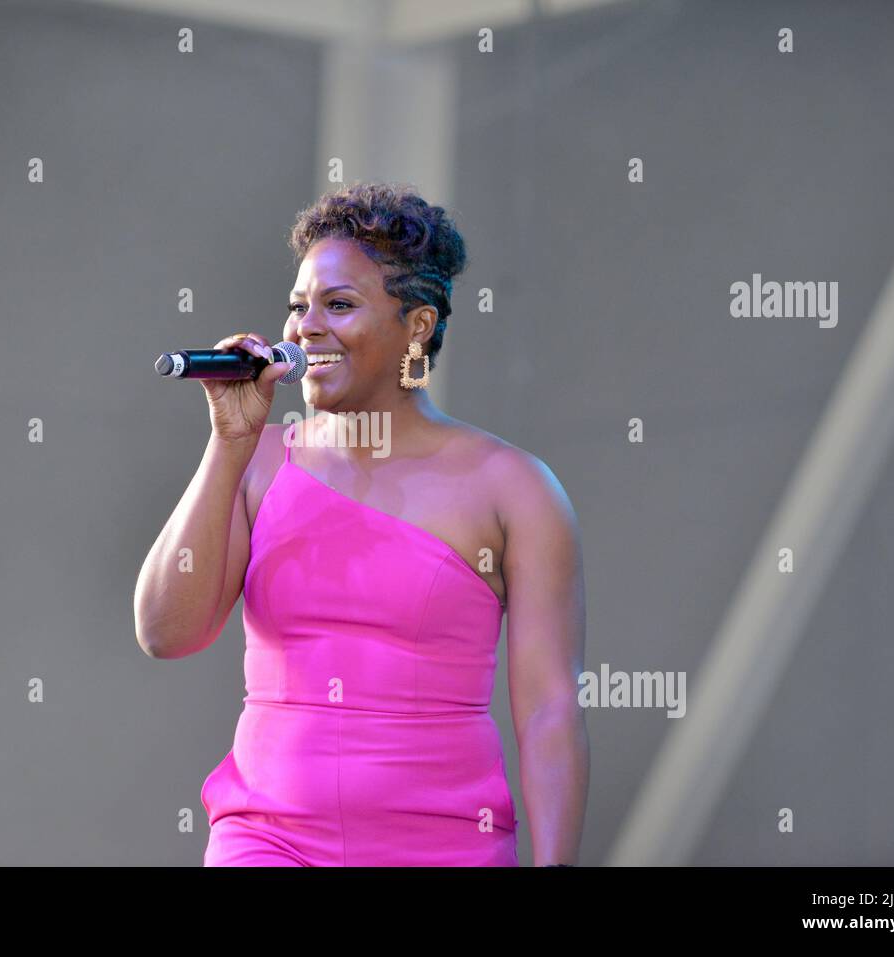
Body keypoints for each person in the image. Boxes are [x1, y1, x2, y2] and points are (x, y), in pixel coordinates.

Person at [134, 182, 587, 866]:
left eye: (338, 305)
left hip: (444, 845)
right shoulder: (257, 460)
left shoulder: (513, 487)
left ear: (418, 325)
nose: (304, 327)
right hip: (266, 838)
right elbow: (166, 632)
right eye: (297, 307)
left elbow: (550, 709)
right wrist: (228, 442)